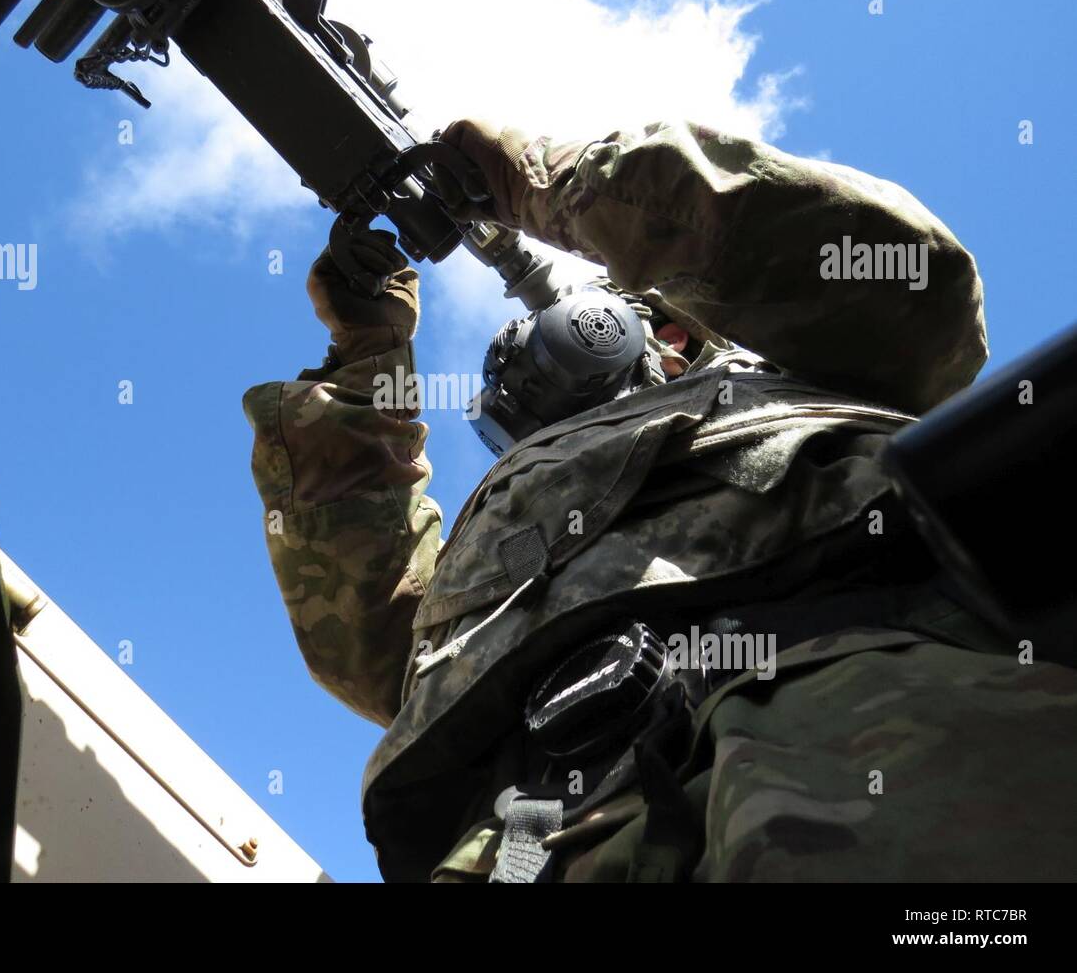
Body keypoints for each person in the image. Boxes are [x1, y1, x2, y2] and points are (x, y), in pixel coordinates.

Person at [242, 119, 1077, 882]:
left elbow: (912, 281)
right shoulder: (498, 528)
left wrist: (535, 182)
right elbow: (369, 632)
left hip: (866, 714)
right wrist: (368, 357)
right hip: (527, 842)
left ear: (664, 332)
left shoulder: (797, 378)